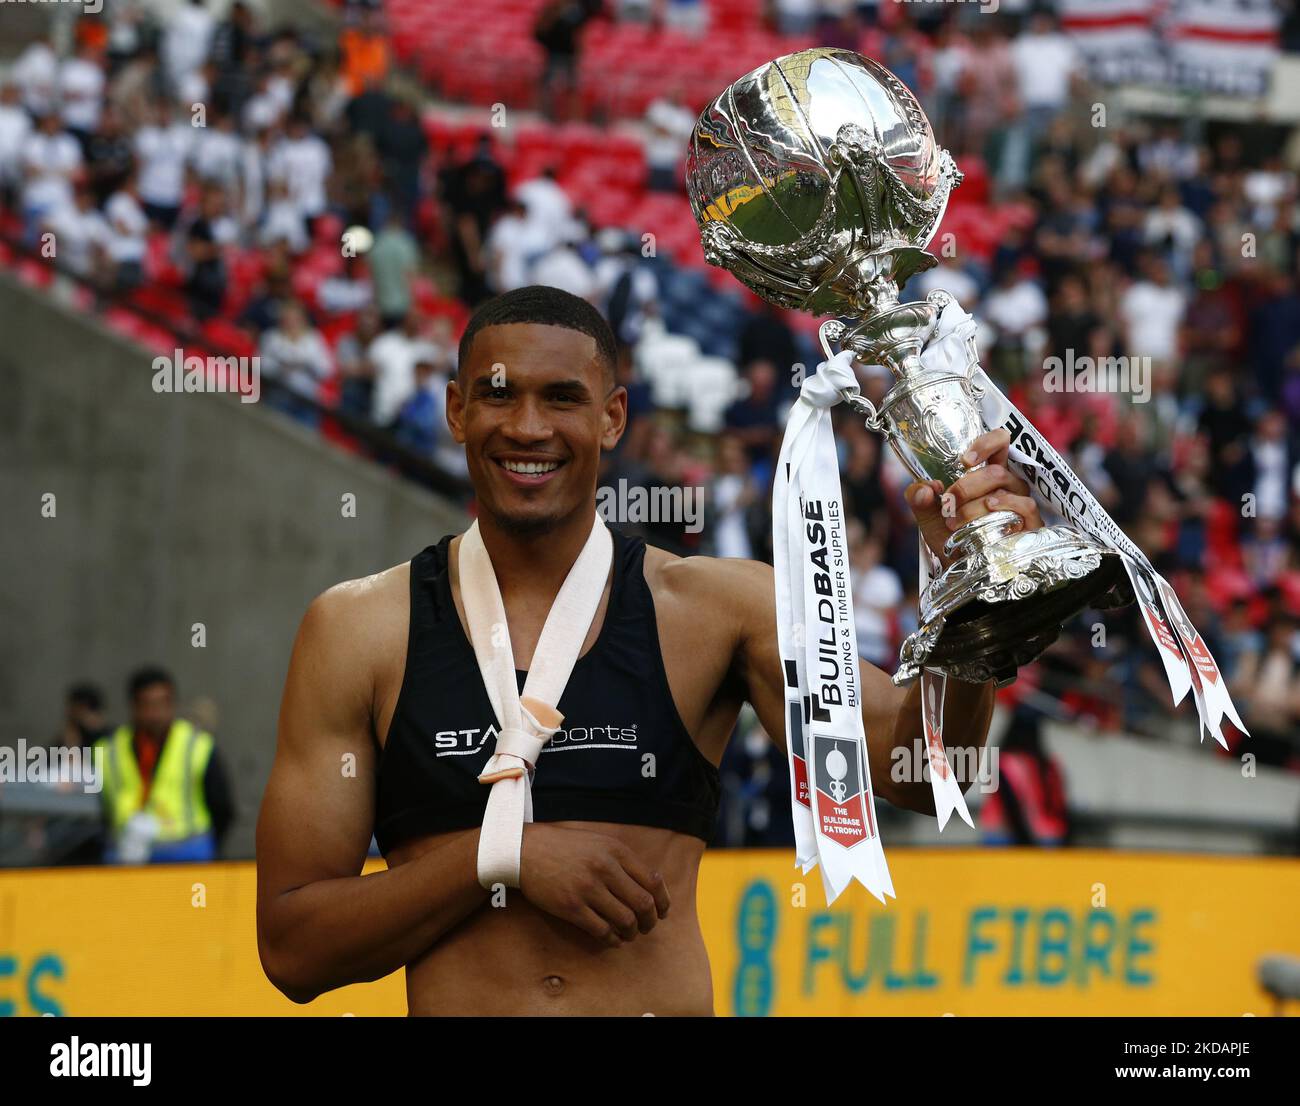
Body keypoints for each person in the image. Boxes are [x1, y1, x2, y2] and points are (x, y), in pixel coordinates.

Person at [256, 285, 1044, 1014]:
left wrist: (968, 590)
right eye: (500, 394)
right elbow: (293, 948)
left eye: (562, 398)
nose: (528, 427)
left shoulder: (712, 610)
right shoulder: (360, 630)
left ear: (612, 417)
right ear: (457, 410)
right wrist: (503, 858)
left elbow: (920, 772)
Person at [94, 667, 235, 864]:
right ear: (134, 706)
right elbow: (97, 810)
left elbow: (223, 808)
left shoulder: (197, 746)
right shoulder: (108, 751)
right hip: (127, 854)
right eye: (148, 705)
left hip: (187, 853)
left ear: (173, 703)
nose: (155, 714)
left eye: (162, 703)